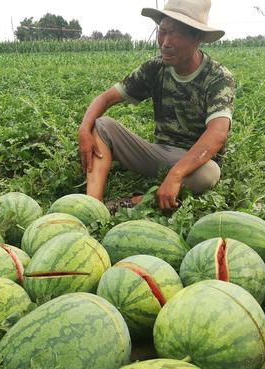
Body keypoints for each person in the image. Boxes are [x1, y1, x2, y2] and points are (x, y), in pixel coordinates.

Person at [78, 0, 235, 211]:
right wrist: (84, 129)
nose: (165, 42)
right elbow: (106, 98)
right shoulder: (155, 68)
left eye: (175, 34)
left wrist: (176, 174)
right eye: (163, 31)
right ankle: (93, 207)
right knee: (101, 125)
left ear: (197, 38)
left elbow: (218, 133)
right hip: (159, 153)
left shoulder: (217, 77)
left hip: (196, 163)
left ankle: (137, 201)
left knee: (210, 174)